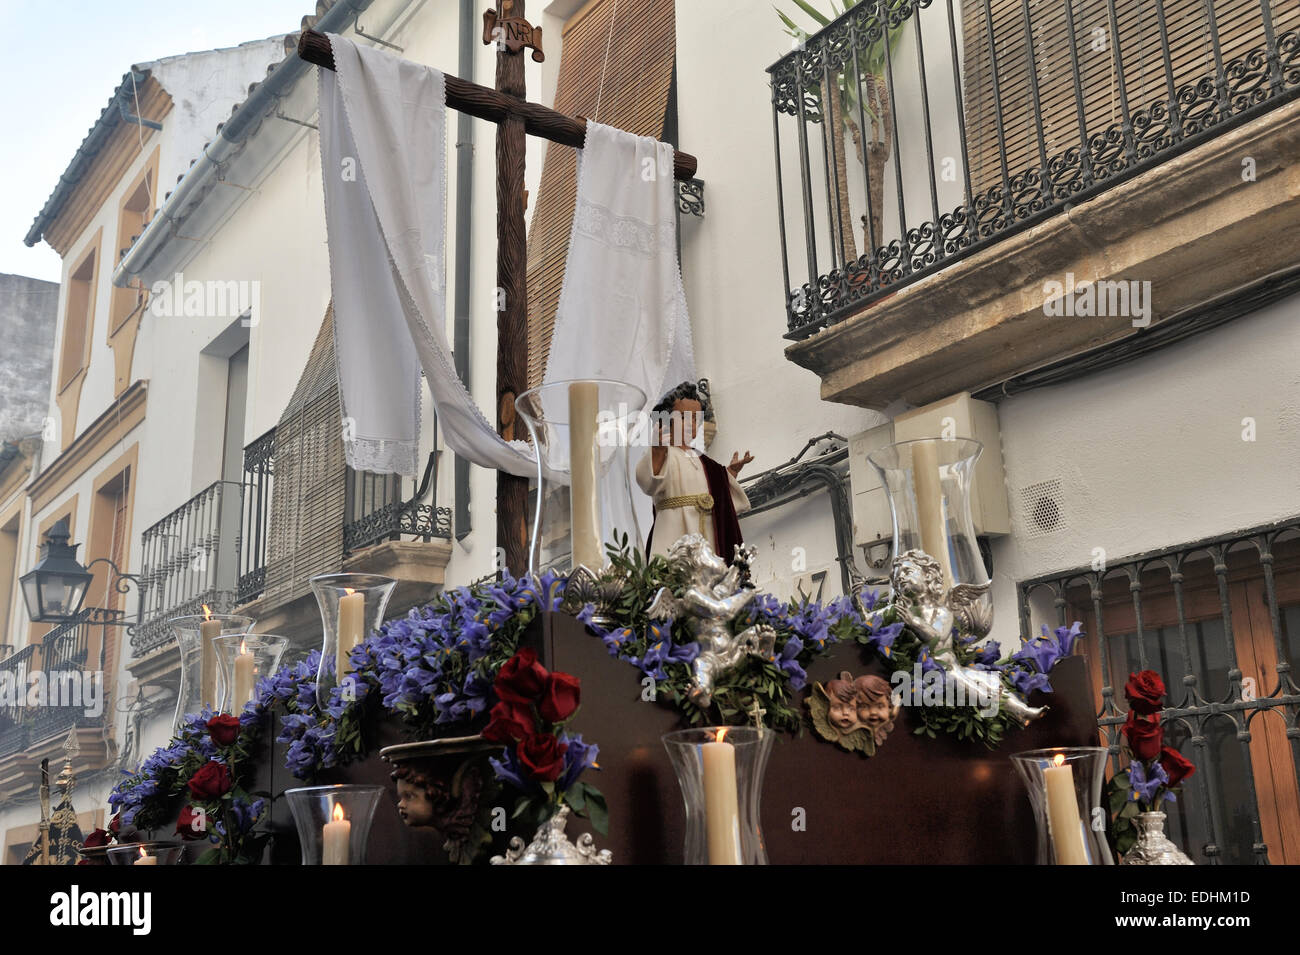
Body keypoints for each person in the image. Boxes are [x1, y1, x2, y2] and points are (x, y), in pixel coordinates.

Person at [635, 381, 753, 562]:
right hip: (674, 535)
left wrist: (729, 474)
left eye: (695, 418)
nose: (690, 423)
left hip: (708, 539)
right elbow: (649, 481)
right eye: (683, 417)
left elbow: (715, 492)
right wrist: (657, 450)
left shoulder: (704, 462)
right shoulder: (665, 454)